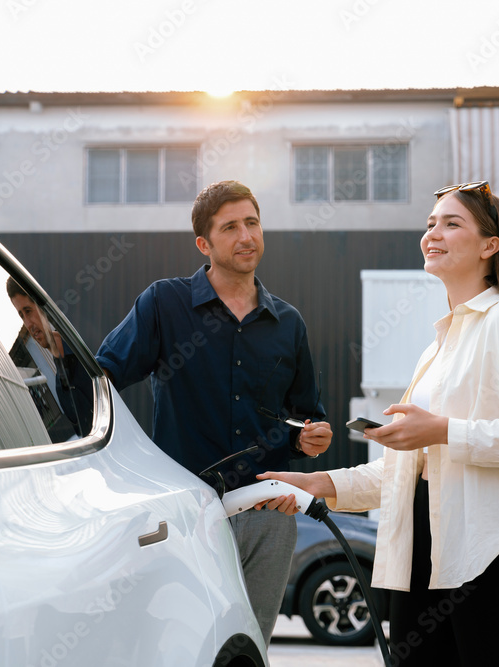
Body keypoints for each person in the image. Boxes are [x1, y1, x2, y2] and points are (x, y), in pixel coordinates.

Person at [259, 181, 499, 665]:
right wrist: (312, 481)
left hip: (491, 545)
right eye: (430, 224)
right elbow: (404, 471)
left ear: (490, 246)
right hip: (420, 545)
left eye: (452, 224)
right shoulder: (437, 348)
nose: (433, 233)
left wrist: (442, 430)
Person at [96, 180, 332, 643]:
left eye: (252, 222)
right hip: (187, 512)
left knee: (251, 644)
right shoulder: (165, 304)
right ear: (204, 244)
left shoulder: (289, 323)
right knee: (183, 643)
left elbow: (305, 417)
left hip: (270, 512)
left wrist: (309, 437)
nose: (246, 236)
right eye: (230, 227)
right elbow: (102, 379)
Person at [7, 277, 94, 437]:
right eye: (21, 316)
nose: (28, 324)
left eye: (28, 311)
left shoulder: (85, 353)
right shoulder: (60, 383)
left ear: (44, 308)